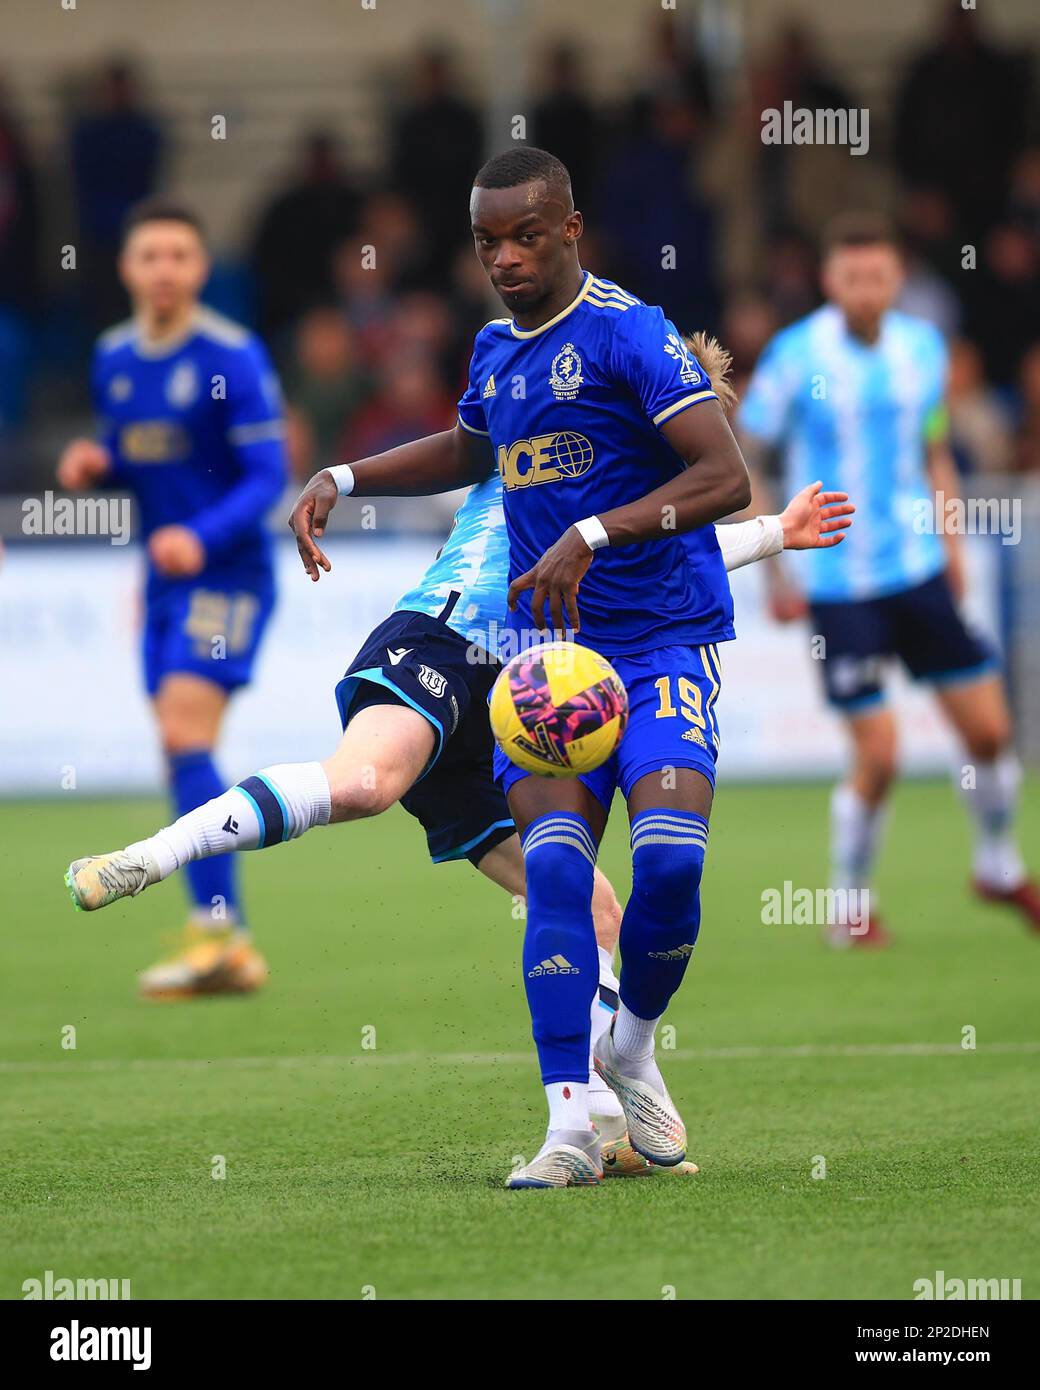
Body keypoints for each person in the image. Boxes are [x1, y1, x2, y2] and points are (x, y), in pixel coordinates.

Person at [65, 309, 850, 1181]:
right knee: (365, 781)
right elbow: (465, 451)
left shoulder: (639, 477)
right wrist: (344, 475)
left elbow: (682, 546)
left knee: (592, 909)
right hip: (451, 641)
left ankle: (598, 1112)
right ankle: (151, 856)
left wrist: (779, 530)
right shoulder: (554, 433)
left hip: (530, 684)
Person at [737, 211, 1039, 948]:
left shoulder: (923, 349)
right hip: (839, 583)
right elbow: (746, 454)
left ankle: (997, 865)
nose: (866, 290)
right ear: (830, 282)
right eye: (852, 278)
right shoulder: (794, 355)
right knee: (879, 752)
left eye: (879, 276)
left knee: (993, 732)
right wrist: (770, 556)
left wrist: (953, 537)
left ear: (897, 278)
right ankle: (848, 907)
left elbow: (932, 447)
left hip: (919, 571)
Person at [57, 198, 288, 996]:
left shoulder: (234, 354)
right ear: (127, 267)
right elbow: (141, 453)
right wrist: (101, 464)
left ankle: (223, 934)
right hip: (160, 579)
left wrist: (202, 536)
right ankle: (223, 940)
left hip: (226, 576)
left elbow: (267, 475)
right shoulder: (114, 356)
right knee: (176, 743)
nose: (164, 270)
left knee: (184, 729)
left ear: (199, 269)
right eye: (149, 255)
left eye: (179, 256)